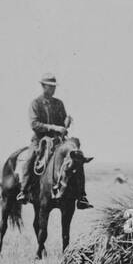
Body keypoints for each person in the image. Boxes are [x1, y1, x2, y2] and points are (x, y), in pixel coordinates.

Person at [14, 72, 92, 208]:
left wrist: (66, 122)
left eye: (54, 86)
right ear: (43, 86)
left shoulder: (59, 103)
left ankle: (81, 196)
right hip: (39, 140)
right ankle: (24, 191)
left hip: (58, 141)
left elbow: (63, 123)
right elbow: (34, 124)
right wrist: (54, 127)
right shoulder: (35, 103)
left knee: (77, 160)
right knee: (29, 158)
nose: (53, 89)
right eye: (50, 86)